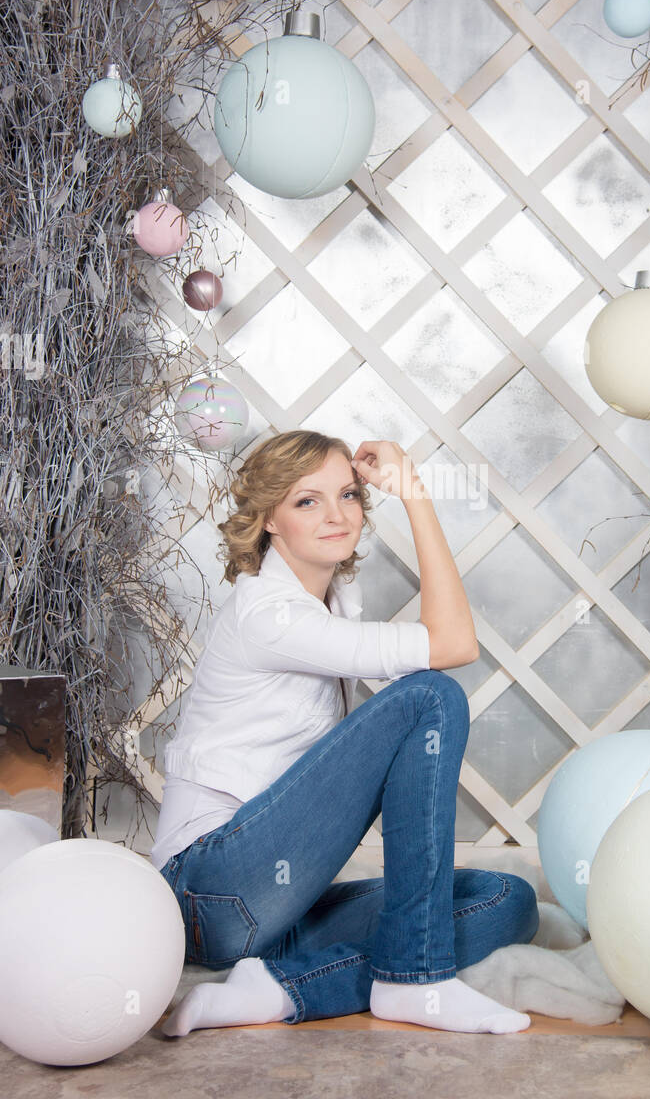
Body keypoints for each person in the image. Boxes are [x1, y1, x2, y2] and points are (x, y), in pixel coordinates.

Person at [154, 430, 540, 1036]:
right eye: (307, 501)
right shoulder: (268, 615)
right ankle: (417, 978)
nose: (337, 515)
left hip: (277, 906)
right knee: (429, 696)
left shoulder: (336, 600)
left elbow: (448, 642)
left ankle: (279, 991)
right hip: (209, 889)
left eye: (349, 495)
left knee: (506, 901)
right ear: (270, 521)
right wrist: (416, 495)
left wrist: (409, 492)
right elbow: (454, 645)